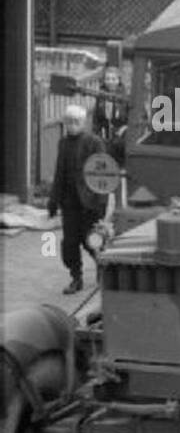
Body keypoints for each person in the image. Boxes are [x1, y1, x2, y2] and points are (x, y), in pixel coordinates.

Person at [47, 104, 108, 294]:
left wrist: (101, 203)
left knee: (91, 240)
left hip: (90, 202)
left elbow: (103, 175)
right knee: (70, 243)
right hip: (70, 202)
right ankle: (76, 277)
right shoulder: (63, 143)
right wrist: (53, 201)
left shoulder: (94, 142)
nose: (72, 125)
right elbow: (60, 173)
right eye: (69, 121)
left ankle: (102, 268)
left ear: (84, 122)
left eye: (76, 122)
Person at [92, 63, 130, 166]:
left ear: (118, 80)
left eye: (113, 79)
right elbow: (96, 118)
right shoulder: (101, 96)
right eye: (108, 79)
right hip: (105, 135)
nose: (110, 82)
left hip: (121, 136)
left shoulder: (126, 97)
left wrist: (125, 128)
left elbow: (136, 116)